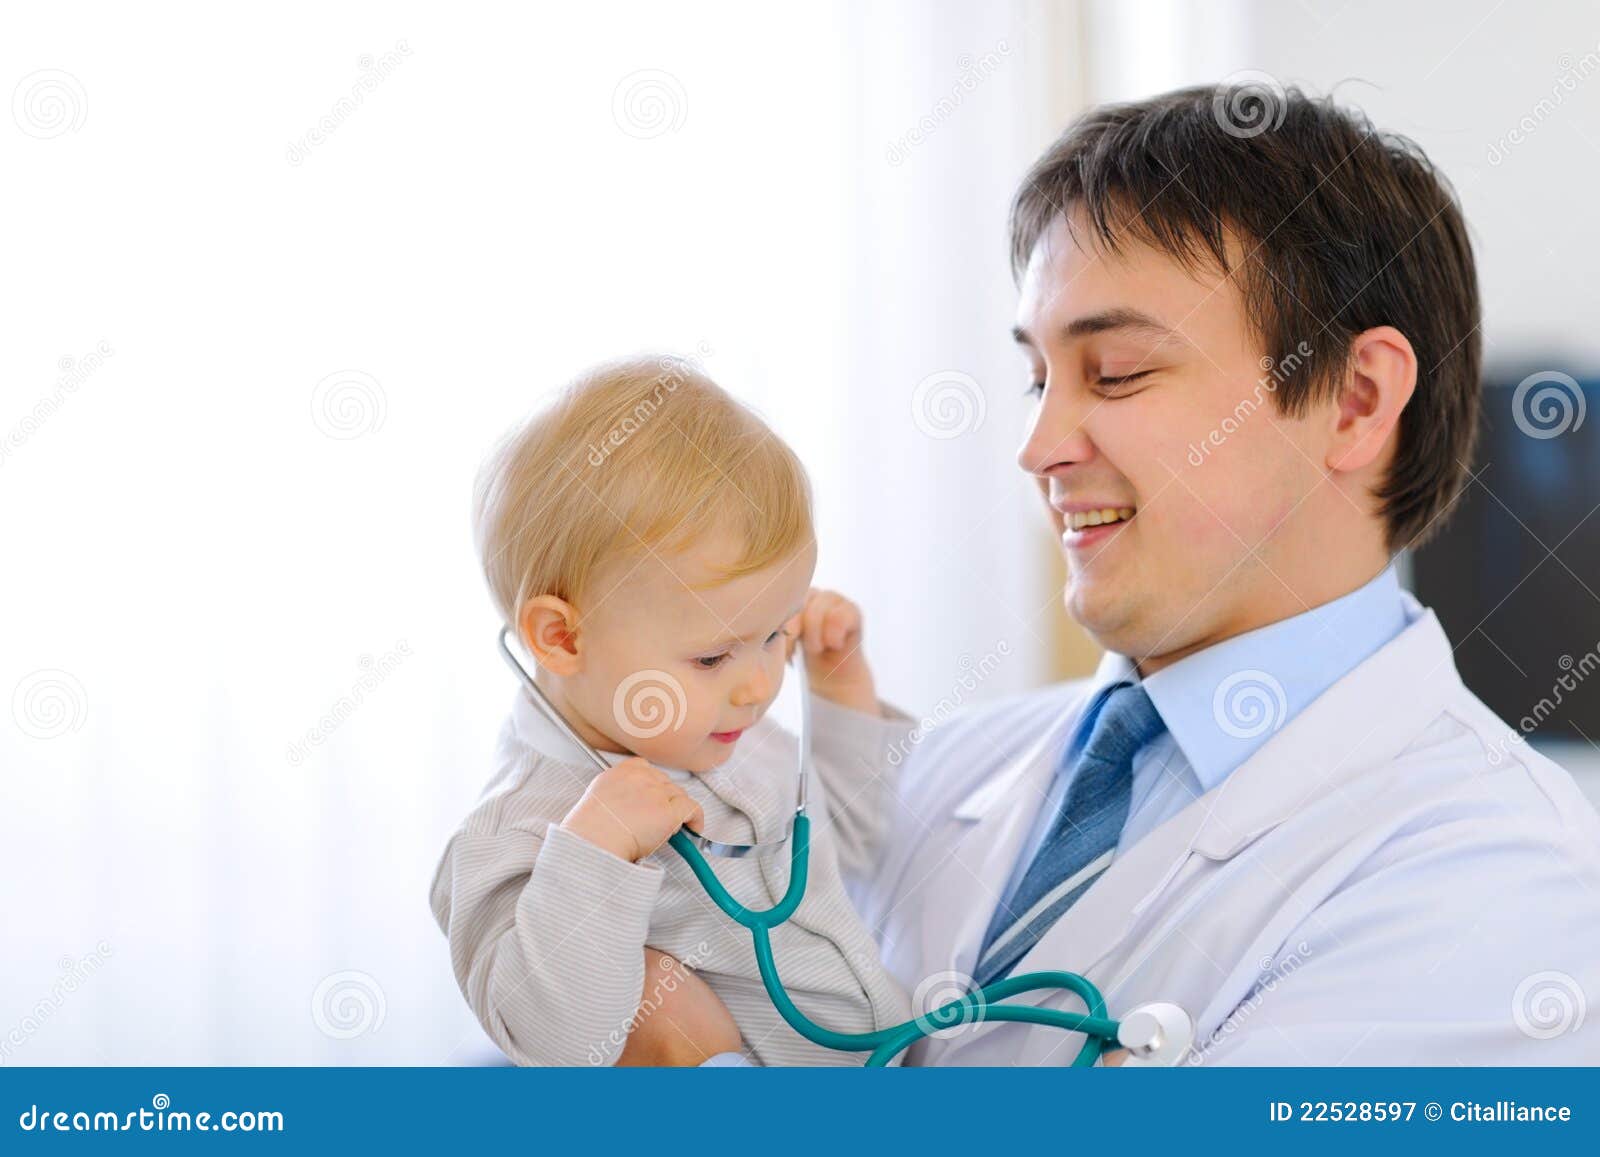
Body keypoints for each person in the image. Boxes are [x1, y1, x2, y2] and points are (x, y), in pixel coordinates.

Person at [648, 82, 1600, 1066]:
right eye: (1036, 377)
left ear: (1354, 400)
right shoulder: (936, 772)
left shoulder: (1496, 876)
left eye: (1115, 373)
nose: (1038, 444)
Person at [430, 356, 915, 1065]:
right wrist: (594, 853)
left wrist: (842, 693)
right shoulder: (513, 833)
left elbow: (862, 844)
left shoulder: (732, 740)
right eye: (714, 657)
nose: (758, 685)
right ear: (563, 637)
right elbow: (549, 1040)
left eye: (776, 633)